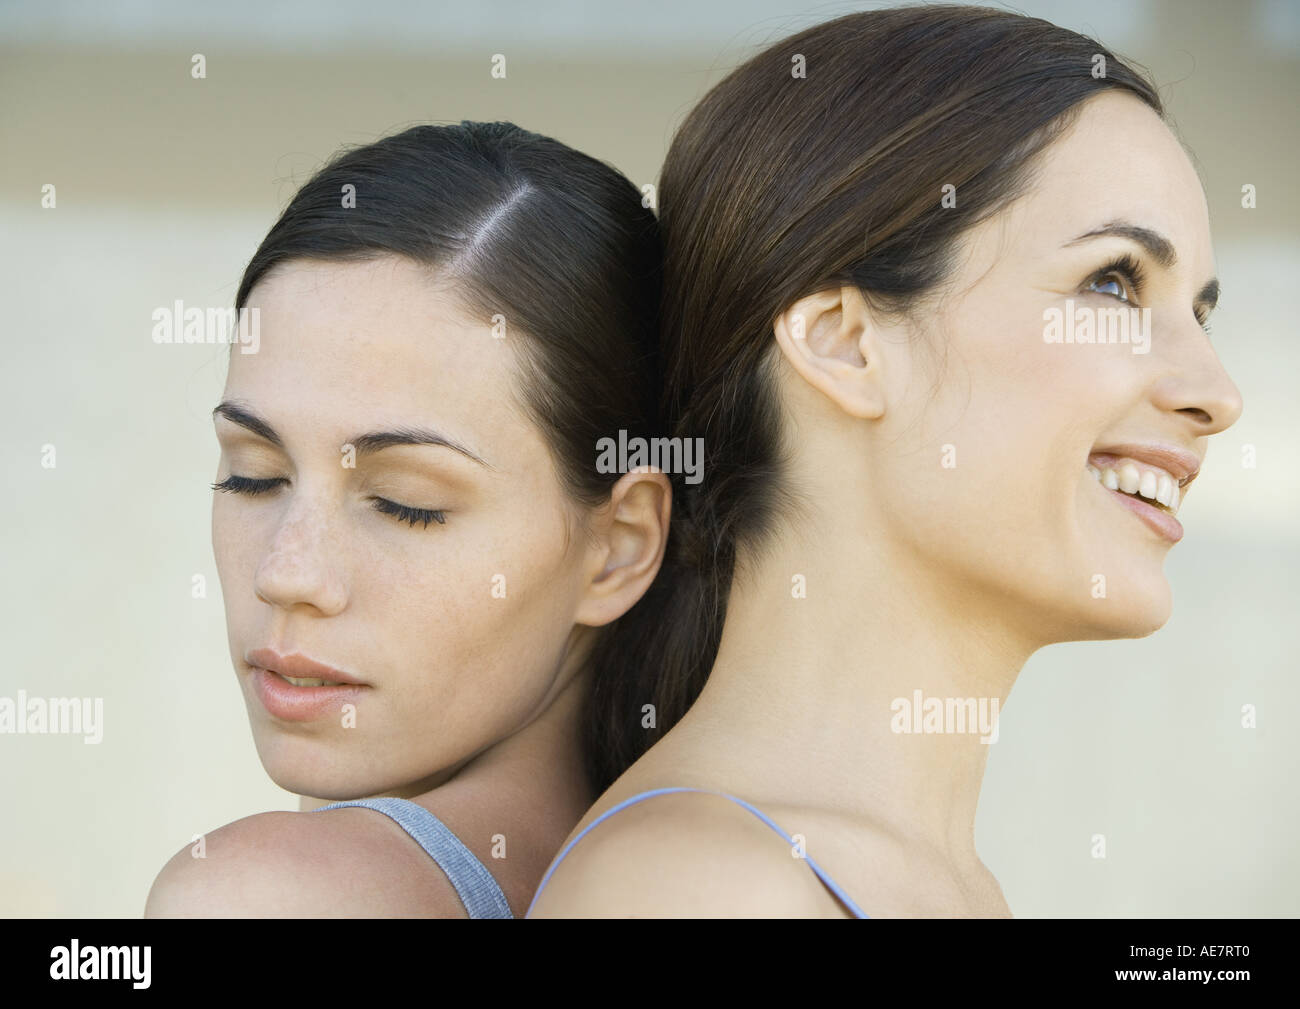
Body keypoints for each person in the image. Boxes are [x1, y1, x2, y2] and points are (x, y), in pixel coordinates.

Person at [528, 6, 1243, 918]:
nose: (1217, 393)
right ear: (843, 342)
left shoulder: (938, 887)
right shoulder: (695, 889)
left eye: (1200, 314)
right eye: (1113, 281)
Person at [145, 121, 674, 917]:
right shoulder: (721, 870)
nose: (286, 572)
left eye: (405, 503)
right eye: (255, 476)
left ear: (620, 547)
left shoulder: (262, 894)